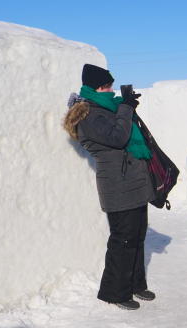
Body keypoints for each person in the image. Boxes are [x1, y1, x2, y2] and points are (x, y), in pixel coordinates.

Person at [63, 64, 157, 310]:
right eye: (106, 86)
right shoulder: (88, 114)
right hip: (117, 185)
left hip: (133, 182)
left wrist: (127, 107)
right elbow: (117, 138)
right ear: (95, 88)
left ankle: (135, 284)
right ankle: (115, 293)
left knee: (137, 236)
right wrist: (126, 107)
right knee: (122, 240)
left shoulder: (107, 109)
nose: (110, 90)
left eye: (111, 85)